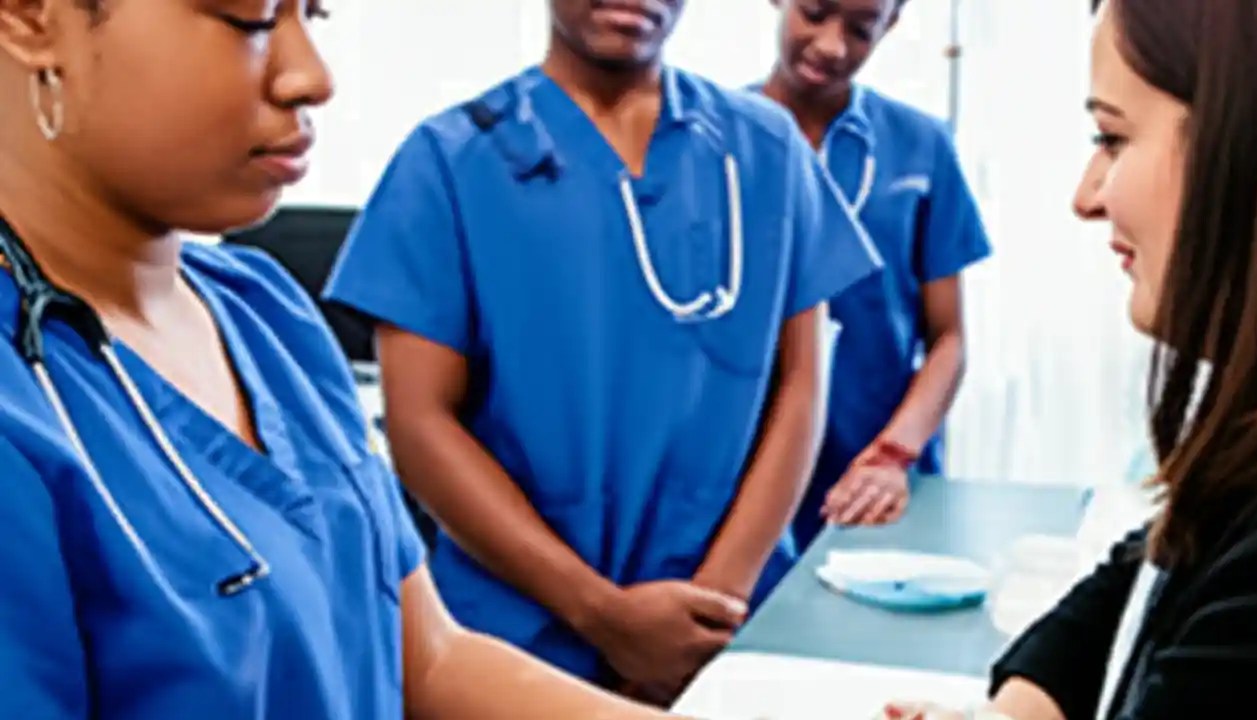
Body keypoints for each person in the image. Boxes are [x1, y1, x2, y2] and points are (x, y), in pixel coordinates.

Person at [0, 0, 686, 716]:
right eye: (253, 20)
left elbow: (425, 657)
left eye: (314, 14)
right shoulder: (23, 412)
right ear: (32, 16)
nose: (312, 77)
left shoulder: (264, 312)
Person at [324, 0, 882, 705]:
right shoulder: (449, 162)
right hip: (516, 646)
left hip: (731, 631)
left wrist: (708, 610)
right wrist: (601, 614)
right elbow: (419, 424)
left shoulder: (765, 150)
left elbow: (802, 385)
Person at [884, 0, 1257, 718]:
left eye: (1113, 138)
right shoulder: (1247, 460)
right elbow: (1140, 577)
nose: (1087, 196)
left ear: (1248, 145)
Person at [760, 0, 991, 547]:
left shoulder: (922, 145)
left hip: (876, 478)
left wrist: (893, 455)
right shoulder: (717, 138)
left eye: (861, 30)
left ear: (892, 24)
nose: (832, 46)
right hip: (745, 473)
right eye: (814, 13)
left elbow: (949, 339)